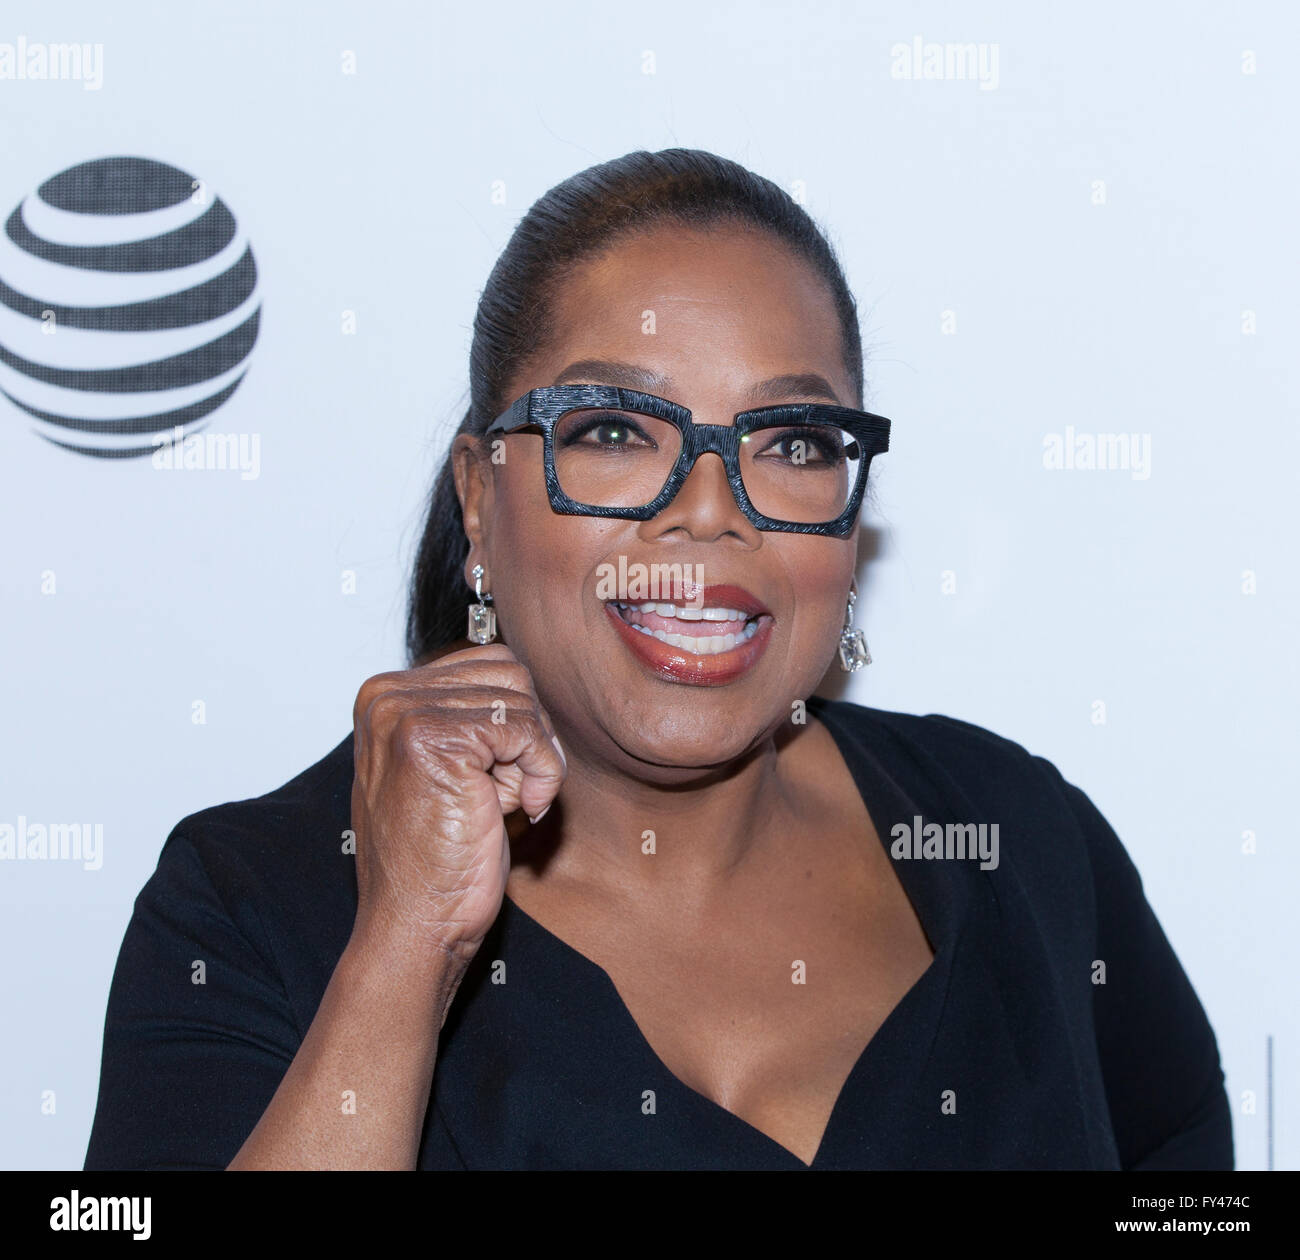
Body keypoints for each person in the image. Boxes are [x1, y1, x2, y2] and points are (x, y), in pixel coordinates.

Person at [84, 148, 1232, 1171]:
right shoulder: (247, 908)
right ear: (481, 500)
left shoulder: (1018, 835)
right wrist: (406, 951)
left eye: (790, 442)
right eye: (617, 431)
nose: (706, 516)